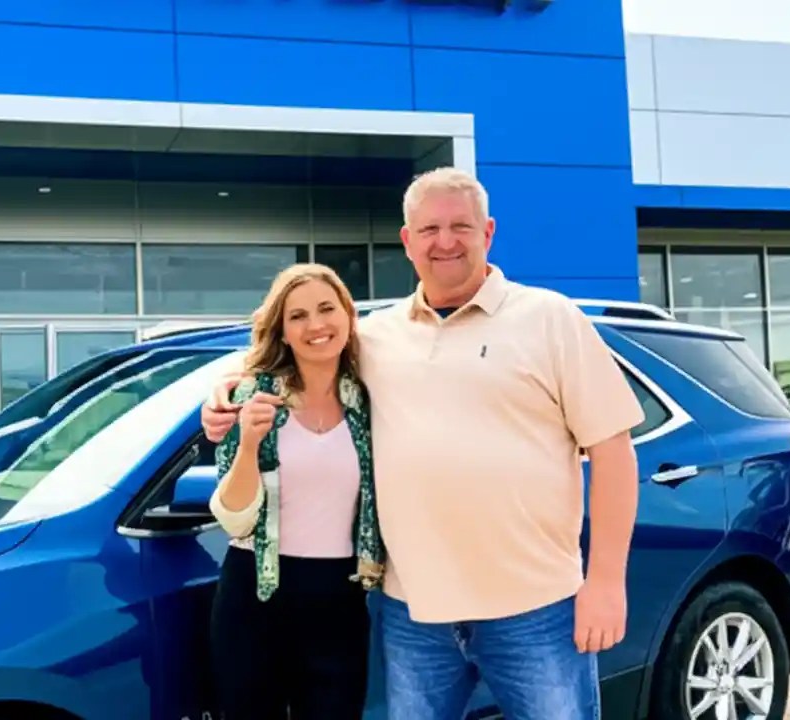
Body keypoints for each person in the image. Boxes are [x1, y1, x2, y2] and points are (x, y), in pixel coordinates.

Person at [202, 168, 643, 719]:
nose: (445, 241)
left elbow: (613, 450)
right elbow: (300, 355)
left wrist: (606, 582)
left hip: (535, 609)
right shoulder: (374, 336)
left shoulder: (550, 319)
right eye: (430, 229)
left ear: (488, 232)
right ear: (407, 241)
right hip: (413, 615)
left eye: (461, 226)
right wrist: (225, 393)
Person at [206, 262, 385, 720]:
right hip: (256, 590)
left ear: (348, 315)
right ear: (282, 332)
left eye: (326, 309)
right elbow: (233, 518)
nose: (315, 325)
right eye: (298, 316)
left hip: (339, 595)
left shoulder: (371, 397)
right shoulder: (253, 397)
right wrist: (249, 443)